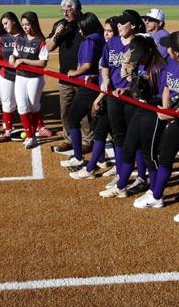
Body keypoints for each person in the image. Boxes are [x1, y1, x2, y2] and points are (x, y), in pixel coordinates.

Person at [133, 31, 179, 219]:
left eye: (169, 46)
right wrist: (166, 110)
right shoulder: (172, 64)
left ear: (177, 52)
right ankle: (157, 196)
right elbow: (166, 88)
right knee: (165, 156)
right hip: (173, 120)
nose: (167, 49)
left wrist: (175, 114)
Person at [71, 12, 138, 180]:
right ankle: (113, 168)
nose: (106, 33)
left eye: (110, 30)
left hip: (123, 97)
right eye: (105, 30)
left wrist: (99, 98)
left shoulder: (132, 45)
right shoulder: (109, 46)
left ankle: (94, 168)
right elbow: (105, 70)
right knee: (109, 133)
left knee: (112, 134)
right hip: (109, 96)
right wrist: (100, 86)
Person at [100, 35, 164, 199]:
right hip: (140, 110)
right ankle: (121, 186)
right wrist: (128, 90)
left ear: (149, 52)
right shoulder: (143, 65)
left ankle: (154, 192)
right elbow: (138, 87)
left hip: (153, 114)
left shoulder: (160, 68)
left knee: (149, 154)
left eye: (140, 56)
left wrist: (147, 97)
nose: (138, 60)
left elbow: (164, 96)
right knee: (129, 147)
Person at [46, 0, 93, 156]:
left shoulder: (87, 23)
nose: (65, 13)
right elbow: (49, 47)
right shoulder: (60, 25)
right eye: (63, 10)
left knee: (84, 111)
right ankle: (69, 139)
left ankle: (88, 140)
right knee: (65, 110)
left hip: (83, 75)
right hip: (65, 75)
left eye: (69, 9)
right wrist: (57, 34)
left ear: (77, 8)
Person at [61, 12, 105, 170]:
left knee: (73, 118)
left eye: (81, 28)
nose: (80, 31)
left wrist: (74, 72)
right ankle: (101, 159)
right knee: (95, 122)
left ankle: (78, 157)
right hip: (98, 83)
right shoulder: (101, 37)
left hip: (87, 85)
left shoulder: (89, 40)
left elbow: (86, 65)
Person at [10, 11, 50, 148]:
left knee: (33, 106)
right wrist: (12, 58)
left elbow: (43, 63)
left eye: (28, 24)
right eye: (23, 24)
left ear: (33, 24)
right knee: (21, 106)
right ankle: (31, 136)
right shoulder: (20, 38)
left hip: (35, 78)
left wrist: (23, 60)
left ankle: (36, 129)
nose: (25, 27)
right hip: (20, 77)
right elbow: (14, 55)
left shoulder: (40, 40)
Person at [0, 11, 23, 140]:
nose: (4, 26)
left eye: (6, 23)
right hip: (6, 74)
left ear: (14, 21)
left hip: (24, 75)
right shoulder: (2, 39)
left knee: (25, 103)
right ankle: (7, 129)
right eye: (3, 24)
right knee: (7, 103)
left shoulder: (25, 37)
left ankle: (36, 127)